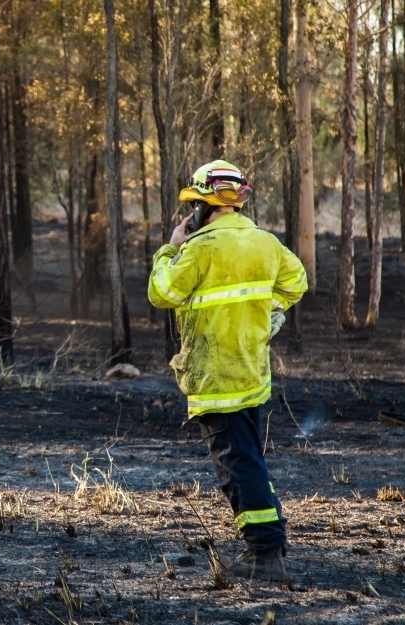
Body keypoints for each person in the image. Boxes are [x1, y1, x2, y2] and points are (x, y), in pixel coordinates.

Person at [147, 160, 308, 582]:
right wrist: (272, 311)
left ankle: (266, 555)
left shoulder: (200, 249)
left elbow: (161, 292)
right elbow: (296, 282)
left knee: (238, 467)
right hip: (252, 376)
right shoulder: (266, 243)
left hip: (216, 380)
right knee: (250, 460)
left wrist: (170, 248)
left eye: (195, 205)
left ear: (203, 206)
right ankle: (270, 542)